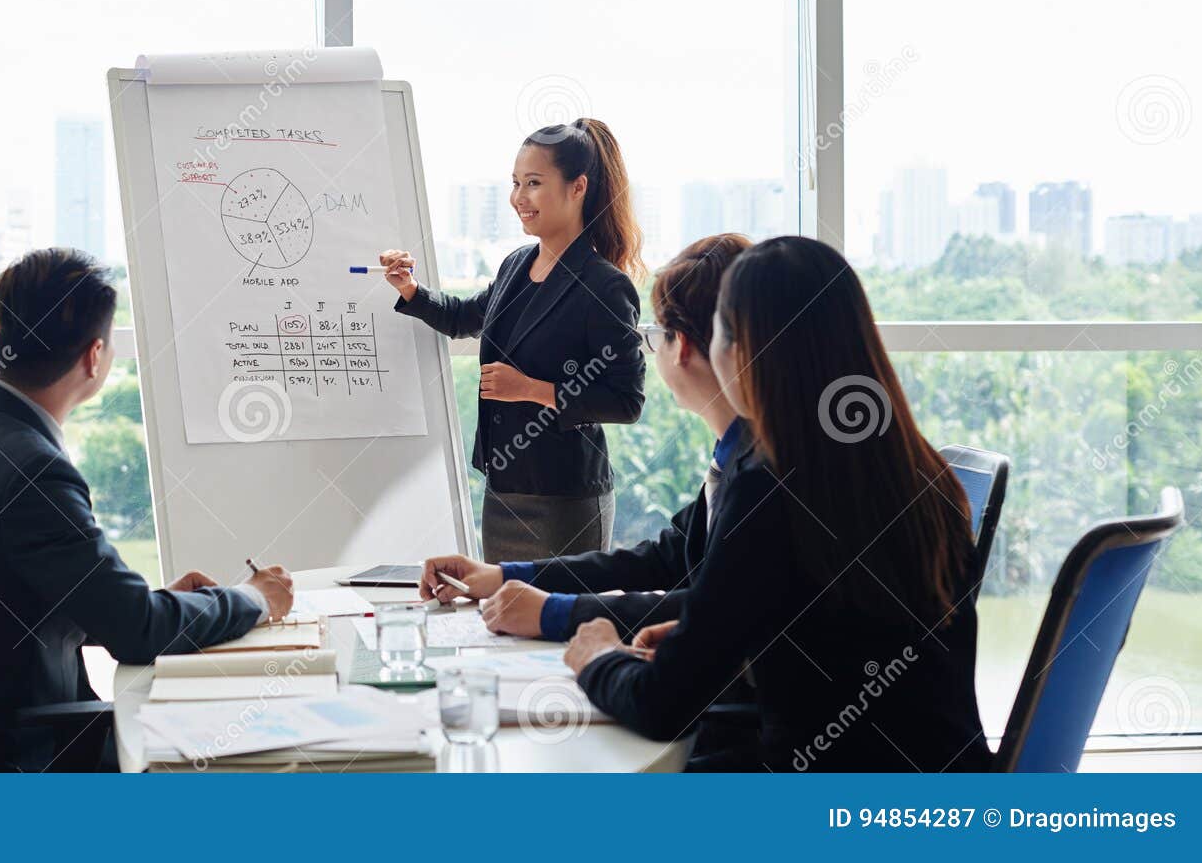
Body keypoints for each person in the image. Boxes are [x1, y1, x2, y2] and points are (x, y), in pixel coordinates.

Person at [563, 236, 993, 772]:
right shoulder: (916, 468)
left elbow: (660, 707)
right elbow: (845, 629)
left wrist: (597, 656)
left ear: (743, 350)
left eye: (717, 330)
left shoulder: (770, 486)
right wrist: (715, 640)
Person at [0, 248, 294, 771]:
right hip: (24, 753)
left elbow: (4, 597)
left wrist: (132, 605)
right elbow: (139, 634)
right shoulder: (33, 469)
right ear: (94, 357)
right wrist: (252, 597)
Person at [417, 233, 754, 642]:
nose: (520, 197)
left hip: (564, 490)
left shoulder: (760, 476)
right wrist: (502, 575)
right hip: (507, 487)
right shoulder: (736, 458)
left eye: (656, 335)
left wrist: (556, 613)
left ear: (679, 345)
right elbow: (667, 559)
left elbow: (712, 608)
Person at [378, 118, 646, 561]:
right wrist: (410, 288)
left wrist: (532, 390)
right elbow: (464, 317)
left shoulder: (604, 286)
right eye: (516, 182)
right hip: (503, 489)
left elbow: (626, 400)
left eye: (534, 183)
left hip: (565, 499)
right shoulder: (516, 265)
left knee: (550, 624)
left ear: (577, 188)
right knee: (502, 620)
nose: (518, 198)